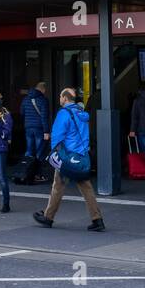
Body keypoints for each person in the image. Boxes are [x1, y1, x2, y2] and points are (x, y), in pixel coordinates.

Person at [33, 88, 104, 231]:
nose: (59, 98)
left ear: (65, 98)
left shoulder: (64, 114)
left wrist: (55, 154)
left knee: (57, 186)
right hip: (80, 157)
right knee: (86, 188)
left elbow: (57, 136)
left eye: (60, 96)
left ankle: (48, 218)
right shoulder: (82, 113)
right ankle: (97, 220)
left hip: (67, 157)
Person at [15, 82, 51, 186]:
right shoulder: (43, 100)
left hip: (28, 128)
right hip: (39, 129)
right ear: (42, 89)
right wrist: (46, 131)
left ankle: (25, 173)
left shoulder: (26, 99)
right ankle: (38, 175)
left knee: (29, 151)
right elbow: (44, 117)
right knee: (39, 153)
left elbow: (22, 112)